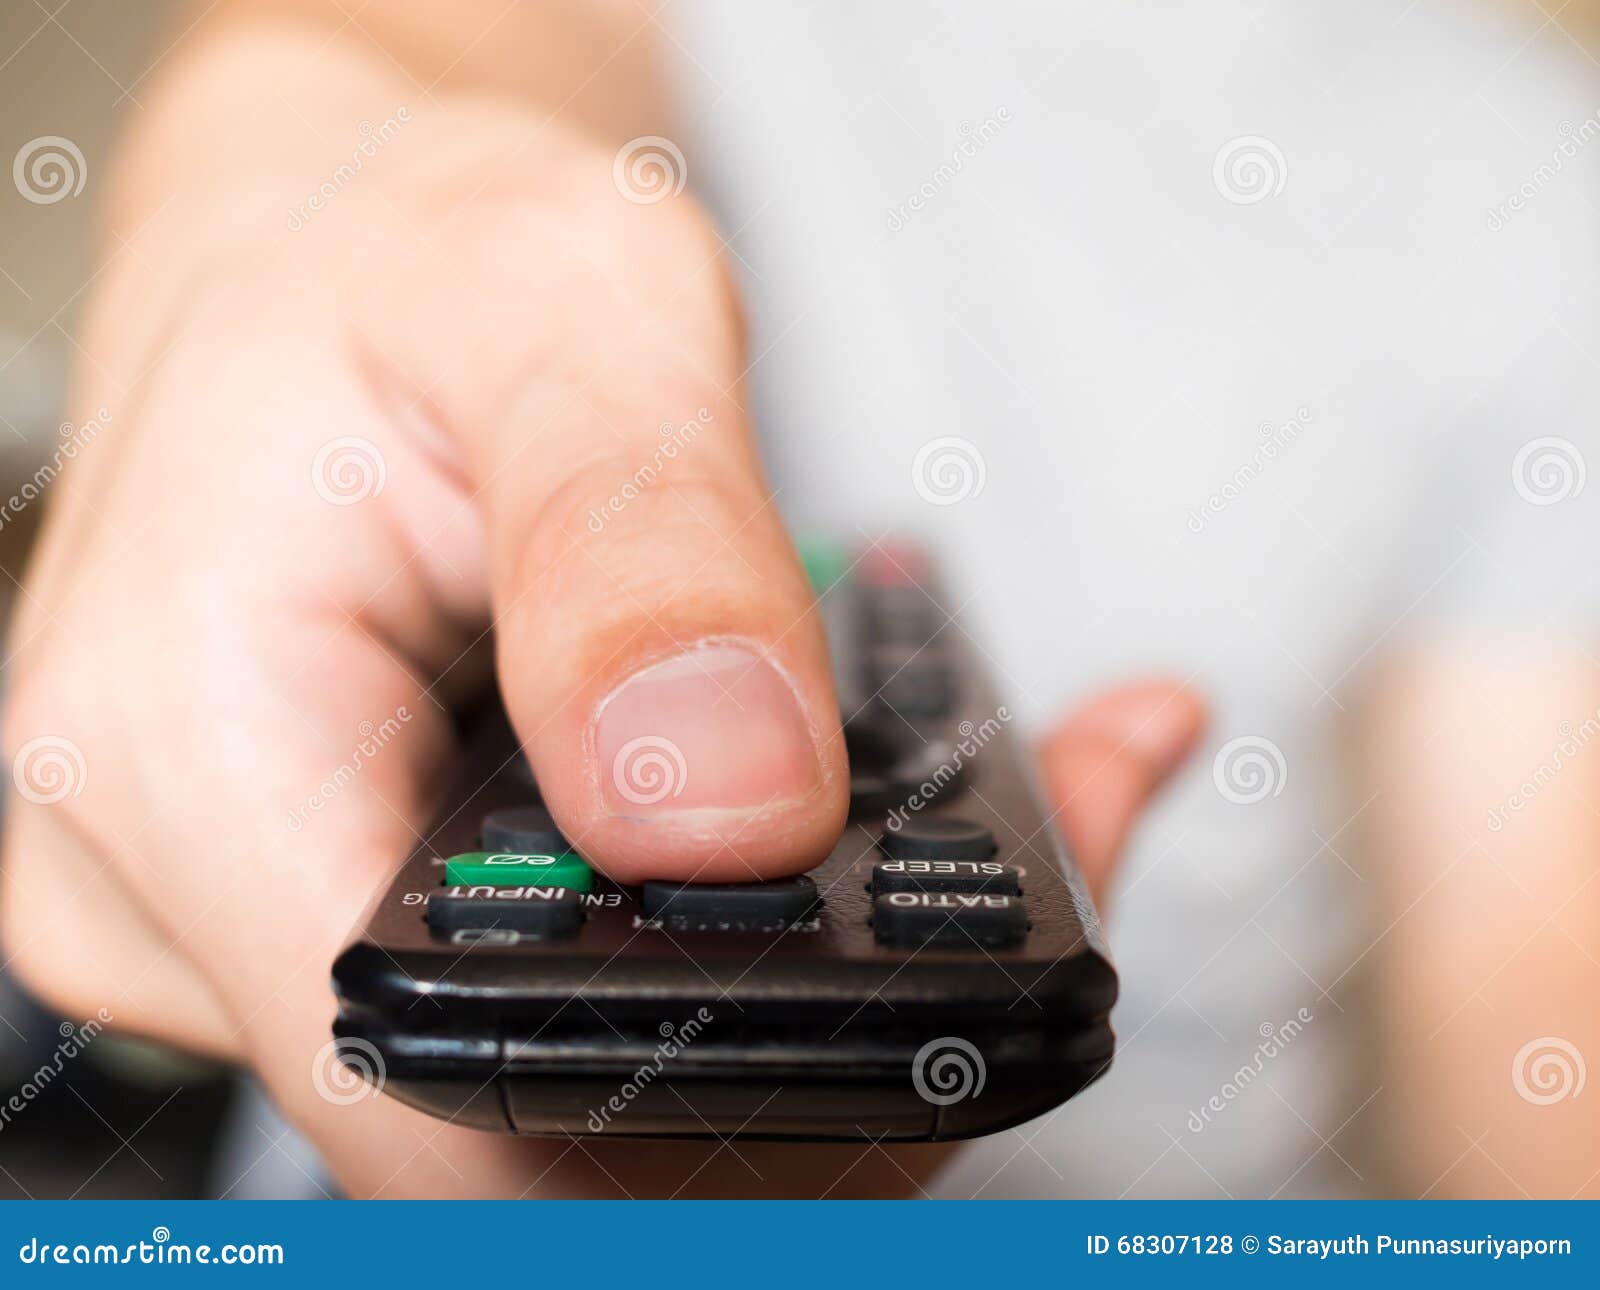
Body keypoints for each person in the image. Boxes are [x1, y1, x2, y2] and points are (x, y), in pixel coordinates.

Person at [1, 1, 1595, 1199]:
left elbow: (1536, 1062)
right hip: (391, 1176)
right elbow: (399, 60)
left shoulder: (1536, 177)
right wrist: (273, 180)